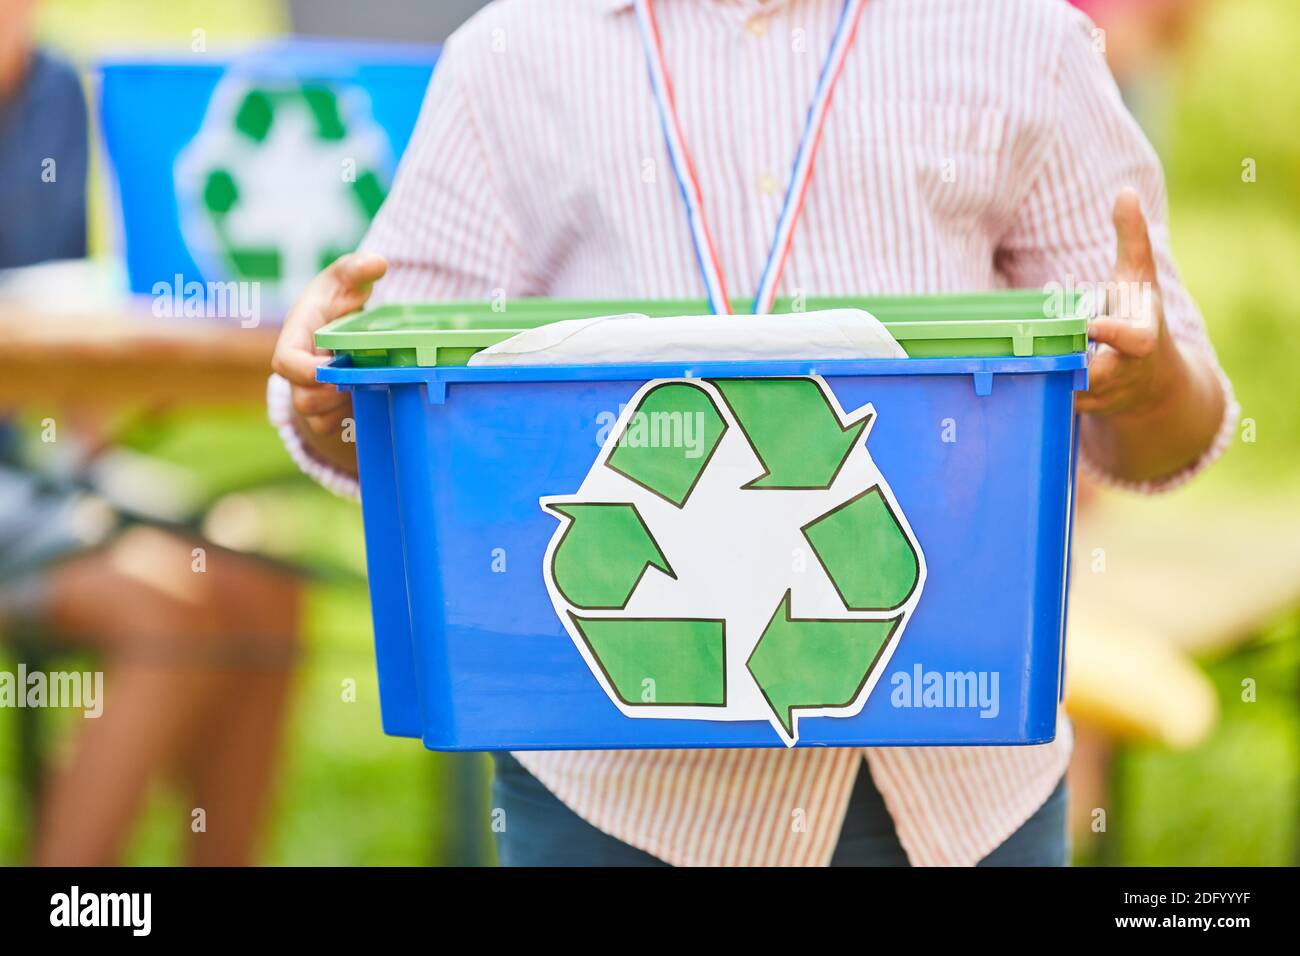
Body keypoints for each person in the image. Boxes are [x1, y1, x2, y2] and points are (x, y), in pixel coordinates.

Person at [270, 0, 1235, 866]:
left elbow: (1166, 430)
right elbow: (399, 402)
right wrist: (334, 399)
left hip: (959, 789)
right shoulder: (510, 56)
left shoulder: (1022, 39)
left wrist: (1145, 384)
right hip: (611, 804)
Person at [0, 0, 300, 866]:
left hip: (36, 461)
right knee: (167, 607)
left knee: (265, 582)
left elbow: (55, 302)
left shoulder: (56, 89)